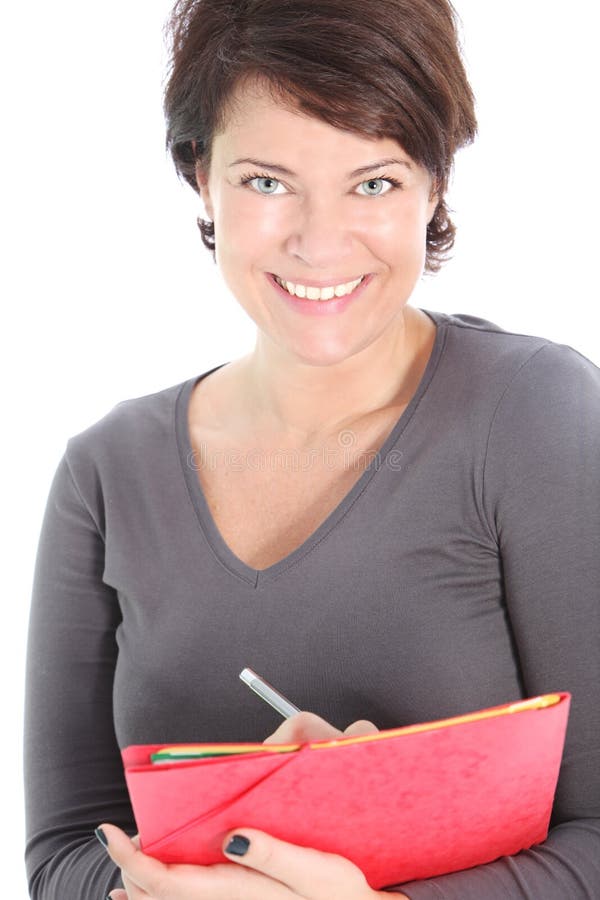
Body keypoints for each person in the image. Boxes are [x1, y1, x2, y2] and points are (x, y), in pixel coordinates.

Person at [23, 0, 600, 897]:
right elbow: (64, 852)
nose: (319, 242)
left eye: (374, 183)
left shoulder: (534, 413)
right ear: (200, 176)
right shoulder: (107, 473)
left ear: (435, 183)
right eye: (266, 181)